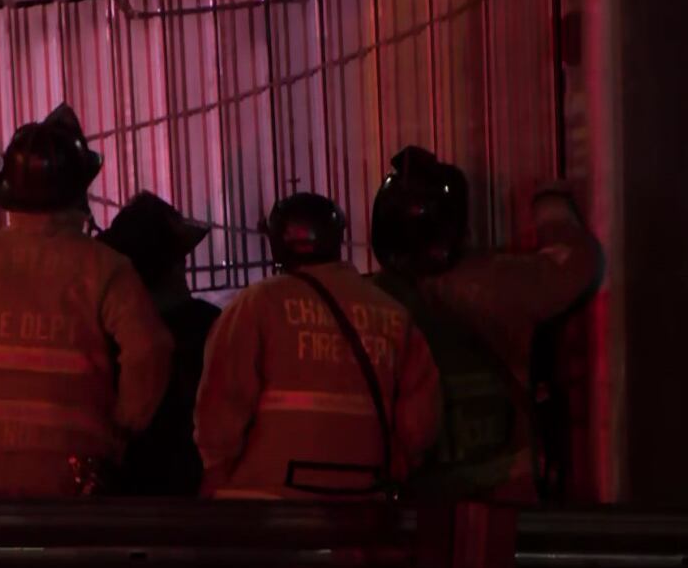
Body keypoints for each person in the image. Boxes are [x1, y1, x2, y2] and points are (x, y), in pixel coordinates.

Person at [0, 104, 173, 498]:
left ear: (7, 194)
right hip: (71, 473)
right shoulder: (106, 268)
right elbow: (150, 349)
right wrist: (123, 426)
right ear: (77, 192)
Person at [369, 146, 602, 503]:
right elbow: (576, 264)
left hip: (412, 498)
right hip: (501, 494)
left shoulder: (363, 302)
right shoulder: (499, 283)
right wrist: (550, 204)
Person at [194, 193, 440, 499]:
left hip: (267, 498)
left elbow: (222, 400)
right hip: (363, 499)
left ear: (276, 242)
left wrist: (217, 472)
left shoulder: (257, 305)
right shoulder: (393, 315)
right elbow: (420, 423)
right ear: (337, 237)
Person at [98, 192, 219, 496]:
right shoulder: (209, 327)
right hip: (195, 489)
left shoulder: (104, 332)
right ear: (174, 266)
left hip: (119, 489)